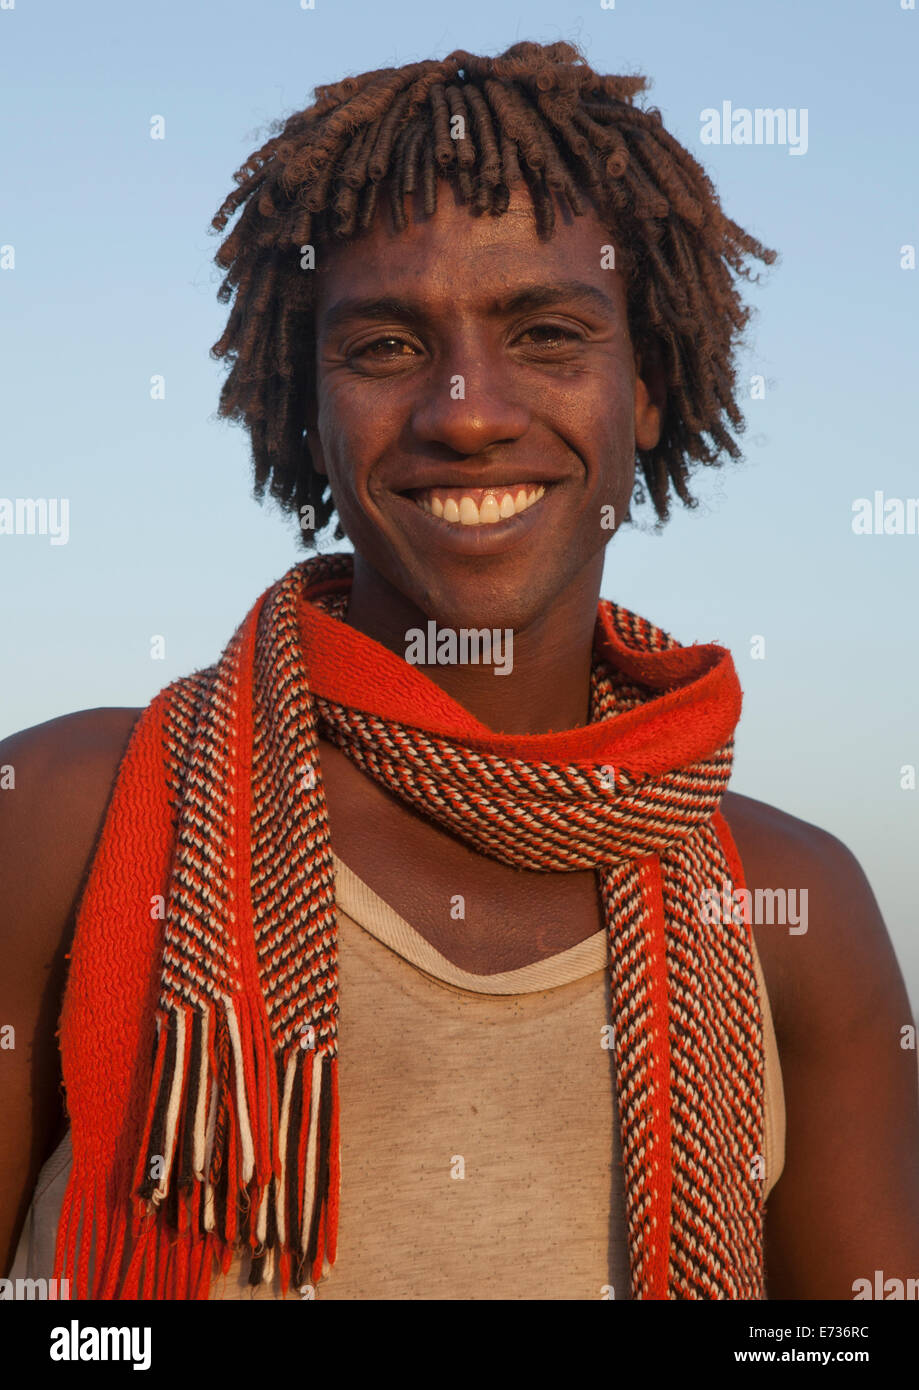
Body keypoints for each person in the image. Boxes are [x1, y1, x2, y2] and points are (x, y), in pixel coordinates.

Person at [2, 39, 918, 1302]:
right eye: (382, 346)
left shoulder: (790, 906)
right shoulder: (70, 809)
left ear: (645, 390)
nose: (465, 410)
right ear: (302, 406)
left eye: (546, 334)